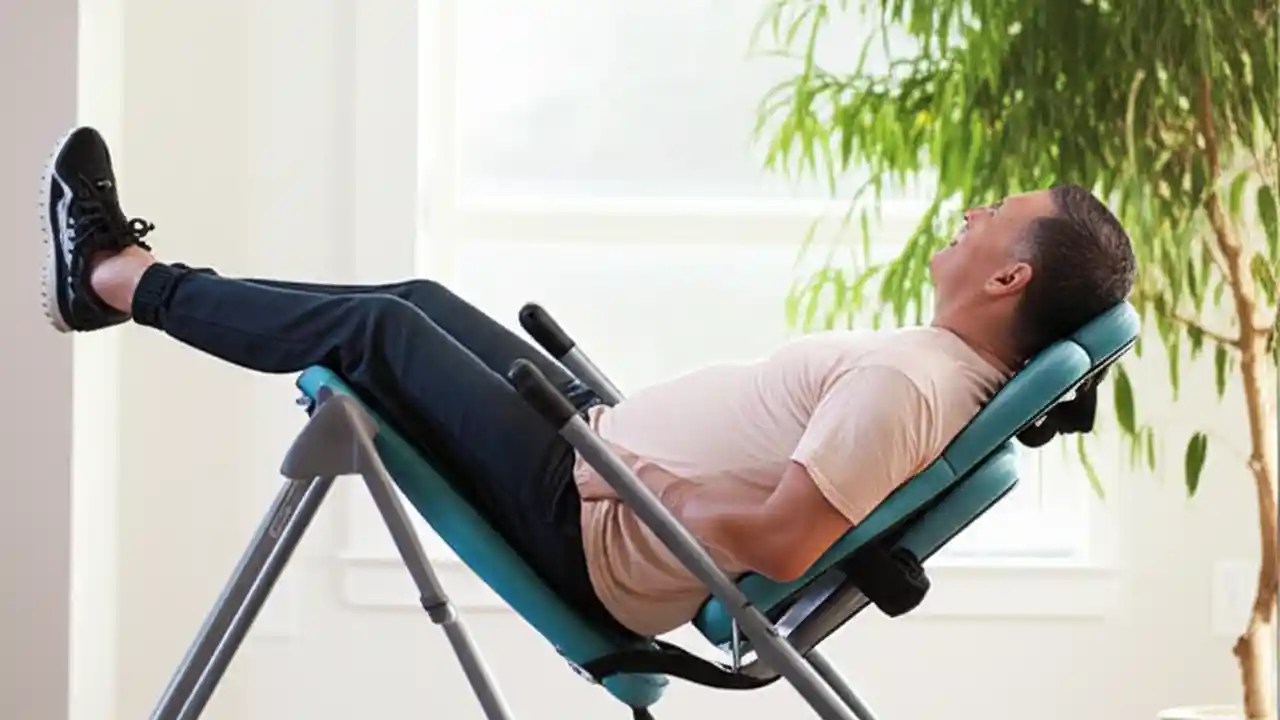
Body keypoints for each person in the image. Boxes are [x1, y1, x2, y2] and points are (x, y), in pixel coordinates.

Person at [41, 126, 1136, 639]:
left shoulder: (909, 384)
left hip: (596, 524)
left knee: (376, 330)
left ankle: (116, 276)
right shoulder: (928, 367)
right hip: (595, 471)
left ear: (1008, 273)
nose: (970, 213)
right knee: (415, 300)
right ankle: (125, 281)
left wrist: (631, 477)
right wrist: (620, 454)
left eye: (995, 215)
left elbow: (783, 543)